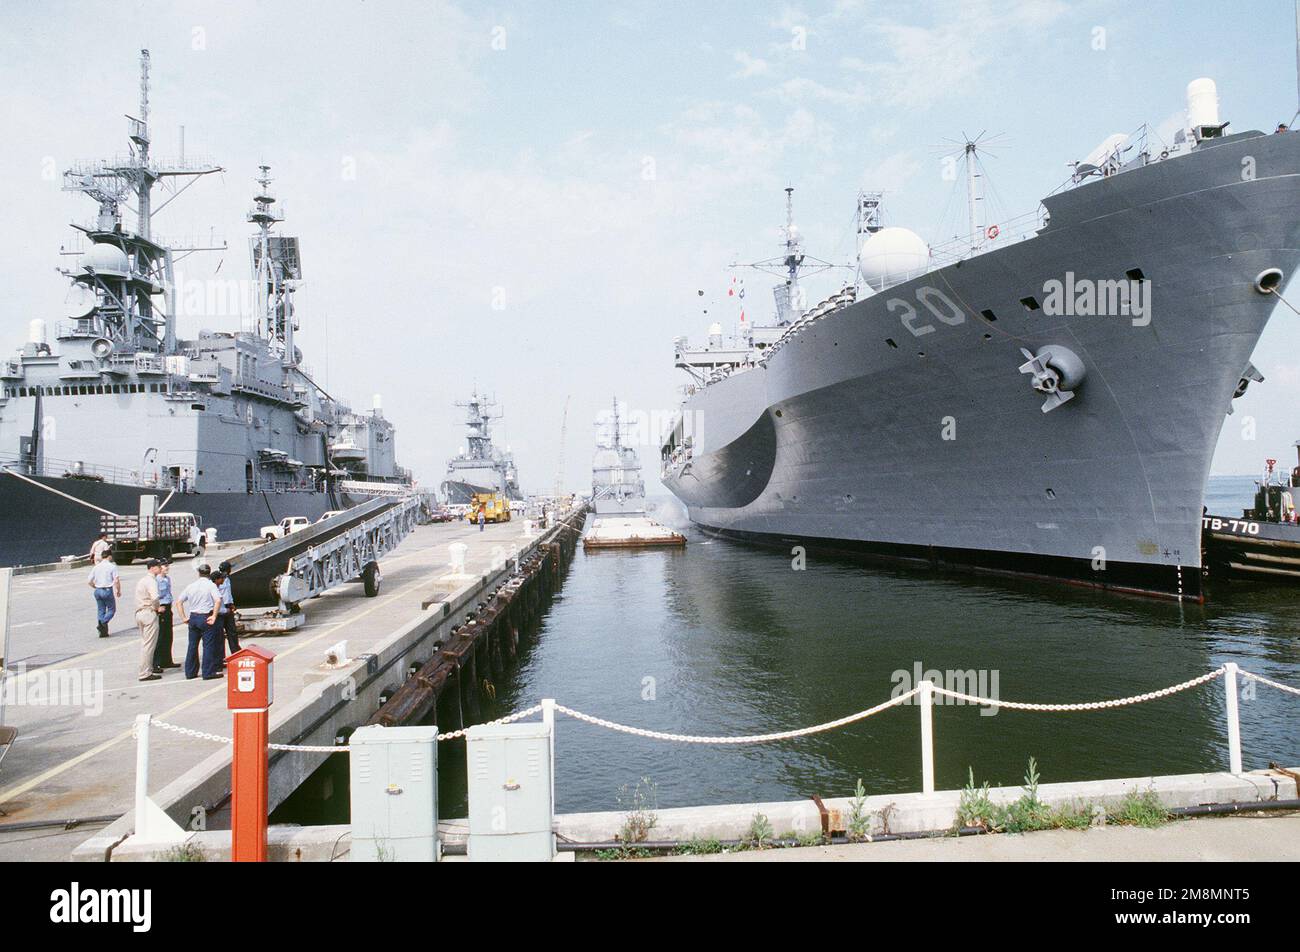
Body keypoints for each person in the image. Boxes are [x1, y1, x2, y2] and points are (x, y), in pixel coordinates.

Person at [179, 564, 223, 681]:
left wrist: (183, 617)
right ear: (209, 573)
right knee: (208, 645)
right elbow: (218, 600)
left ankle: (190, 672)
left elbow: (179, 602)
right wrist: (214, 615)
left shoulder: (191, 586)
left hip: (193, 617)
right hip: (205, 616)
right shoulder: (211, 586)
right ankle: (208, 672)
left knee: (192, 645)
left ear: (199, 573)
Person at [134, 560, 163, 682]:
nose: (161, 568)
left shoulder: (142, 580)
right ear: (152, 568)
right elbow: (155, 597)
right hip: (148, 613)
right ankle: (145, 672)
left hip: (139, 612)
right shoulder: (151, 581)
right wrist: (157, 608)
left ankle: (145, 669)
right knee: (149, 645)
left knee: (145, 643)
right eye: (158, 566)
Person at [152, 558, 179, 671]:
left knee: (168, 635)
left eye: (167, 565)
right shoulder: (156, 580)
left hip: (168, 608)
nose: (167, 568)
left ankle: (167, 660)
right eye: (164, 566)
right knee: (161, 637)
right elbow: (154, 596)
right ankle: (156, 663)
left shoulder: (167, 579)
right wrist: (158, 608)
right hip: (161, 609)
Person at [87, 550, 121, 638]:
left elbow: (89, 581)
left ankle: (103, 632)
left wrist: (95, 587)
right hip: (107, 590)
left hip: (98, 590)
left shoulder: (96, 567)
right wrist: (118, 590)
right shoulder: (112, 566)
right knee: (111, 610)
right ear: (109, 556)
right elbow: (116, 580)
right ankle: (102, 624)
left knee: (101, 610)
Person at [215, 561, 240, 656]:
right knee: (220, 635)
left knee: (232, 632)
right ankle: (221, 656)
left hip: (228, 607)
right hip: (221, 609)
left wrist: (232, 603)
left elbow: (228, 593)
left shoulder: (227, 579)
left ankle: (236, 652)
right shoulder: (218, 580)